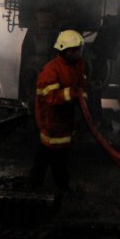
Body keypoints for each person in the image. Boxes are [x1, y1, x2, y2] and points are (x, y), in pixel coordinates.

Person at [28, 29, 88, 193]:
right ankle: (60, 187)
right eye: (76, 50)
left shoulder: (77, 64)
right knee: (56, 155)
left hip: (65, 118)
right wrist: (73, 94)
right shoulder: (51, 70)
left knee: (48, 153)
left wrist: (82, 97)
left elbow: (81, 83)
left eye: (80, 49)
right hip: (51, 118)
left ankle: (35, 183)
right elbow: (51, 97)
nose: (79, 53)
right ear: (66, 51)